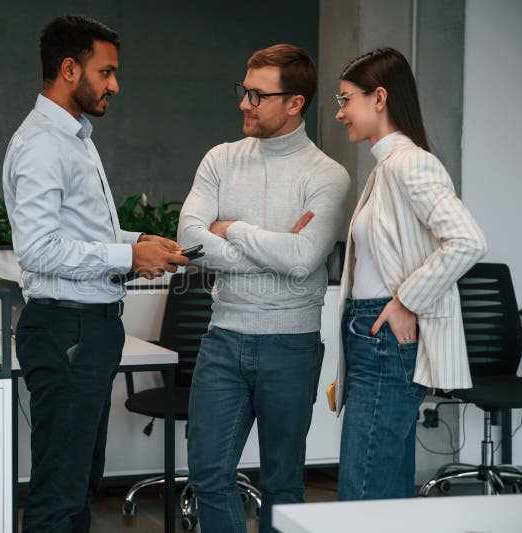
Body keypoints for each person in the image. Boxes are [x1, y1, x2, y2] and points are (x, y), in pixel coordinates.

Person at [2, 15, 188, 532]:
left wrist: (137, 242)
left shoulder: (76, 137)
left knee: (80, 483)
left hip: (86, 331)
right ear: (69, 69)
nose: (115, 85)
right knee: (60, 491)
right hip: (67, 331)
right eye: (106, 72)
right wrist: (128, 260)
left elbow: (78, 231)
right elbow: (38, 249)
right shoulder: (43, 144)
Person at [179, 44, 350, 532]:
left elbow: (304, 259)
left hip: (290, 346)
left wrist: (229, 228)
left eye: (257, 94)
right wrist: (275, 246)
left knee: (283, 483)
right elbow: (189, 239)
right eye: (243, 90)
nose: (243, 103)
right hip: (223, 339)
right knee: (208, 473)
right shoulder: (221, 159)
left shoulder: (327, 176)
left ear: (295, 102)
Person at [332, 47, 487, 500]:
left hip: (382, 337)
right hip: (371, 335)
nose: (340, 113)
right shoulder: (385, 168)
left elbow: (468, 239)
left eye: (346, 100)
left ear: (378, 97)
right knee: (386, 494)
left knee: (361, 494)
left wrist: (406, 301)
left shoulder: (409, 164)